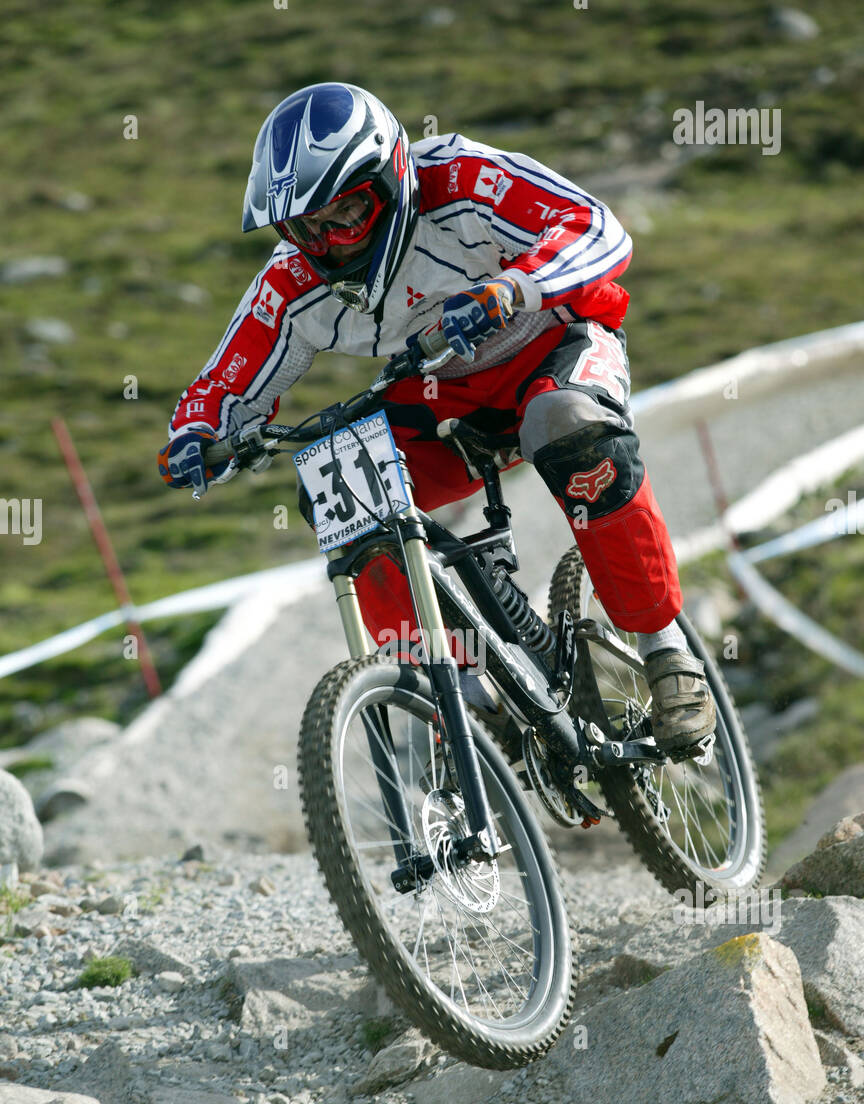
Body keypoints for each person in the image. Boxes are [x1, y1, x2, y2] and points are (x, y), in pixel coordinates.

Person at [158, 82, 715, 756]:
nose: (329, 244)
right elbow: (227, 379)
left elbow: (598, 226)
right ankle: (466, 695)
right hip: (443, 390)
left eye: (347, 216)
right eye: (307, 227)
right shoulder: (294, 278)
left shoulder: (464, 178)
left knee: (566, 422)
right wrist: (196, 434)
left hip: (557, 339)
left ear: (390, 182)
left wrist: (515, 285)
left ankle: (666, 647)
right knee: (338, 485)